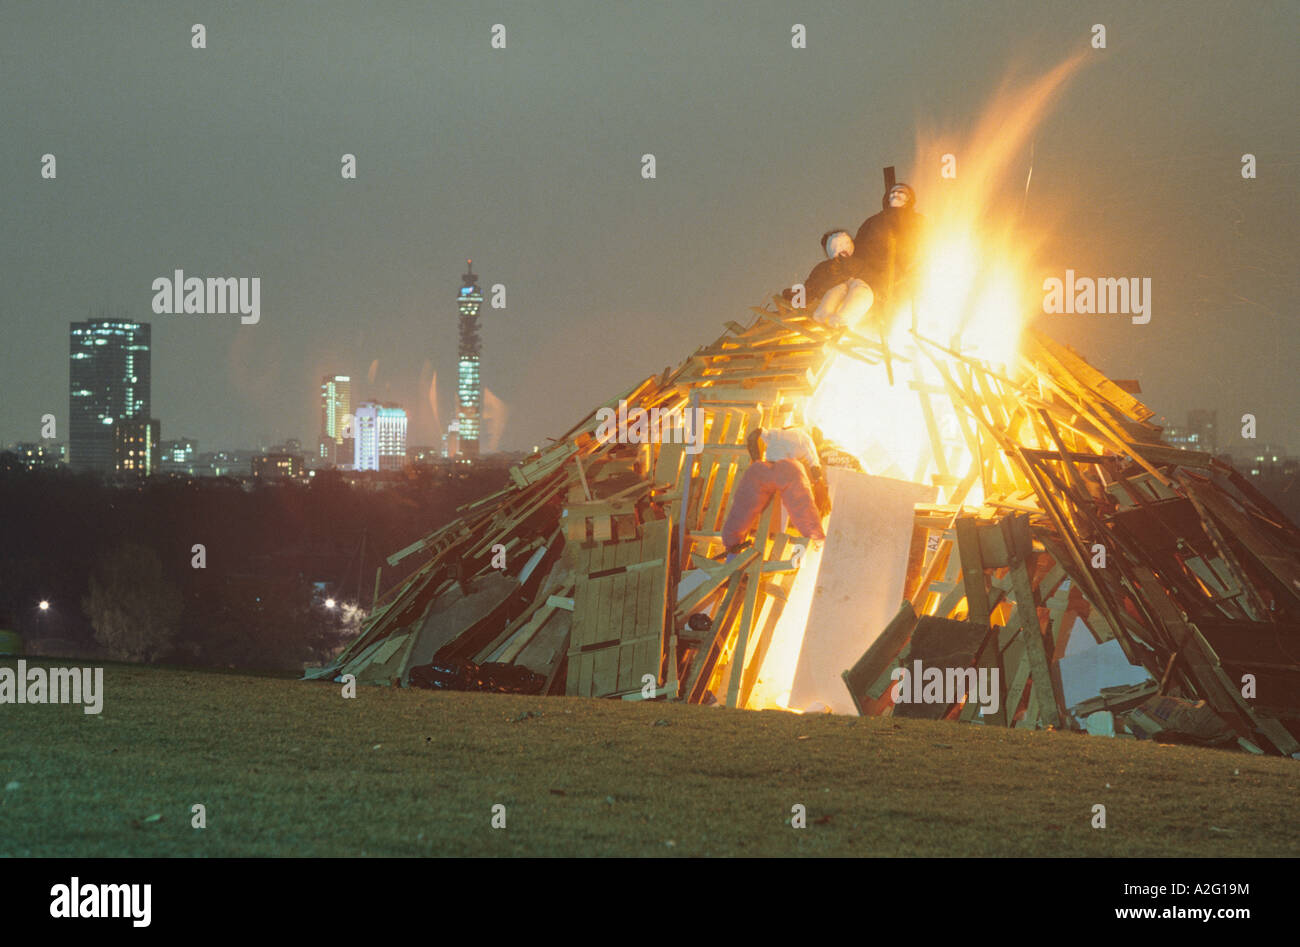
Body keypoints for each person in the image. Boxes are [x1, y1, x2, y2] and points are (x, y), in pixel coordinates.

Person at [852, 182, 925, 313]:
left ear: (909, 198)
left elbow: (927, 243)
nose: (895, 194)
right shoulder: (872, 221)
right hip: (875, 269)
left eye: (901, 192)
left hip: (907, 269)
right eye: (892, 192)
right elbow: (859, 247)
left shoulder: (918, 220)